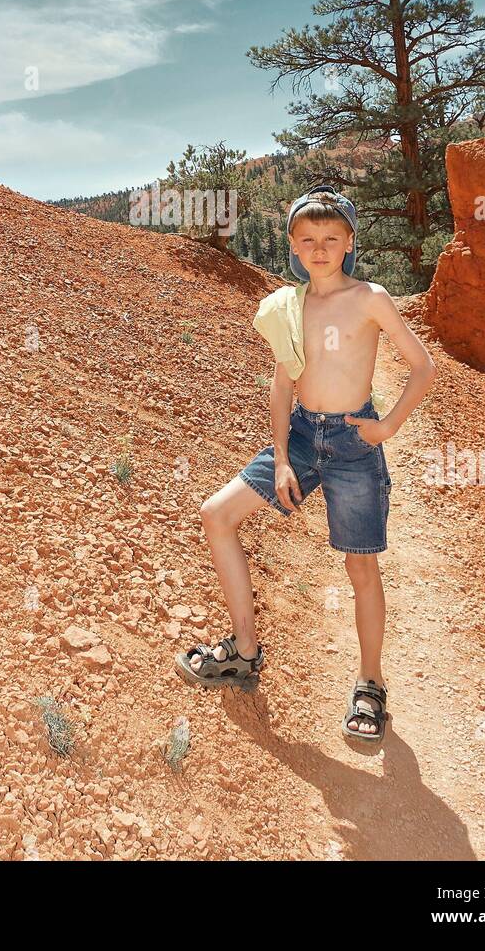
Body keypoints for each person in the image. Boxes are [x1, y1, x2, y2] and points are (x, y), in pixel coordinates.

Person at [175, 186, 436, 740]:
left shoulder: (369, 298)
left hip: (353, 443)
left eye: (331, 239)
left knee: (360, 567)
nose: (320, 249)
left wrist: (387, 427)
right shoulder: (288, 306)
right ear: (293, 246)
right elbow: (281, 384)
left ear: (349, 243)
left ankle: (370, 684)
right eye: (308, 239)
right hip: (298, 437)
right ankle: (245, 652)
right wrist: (282, 460)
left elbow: (422, 367)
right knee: (217, 514)